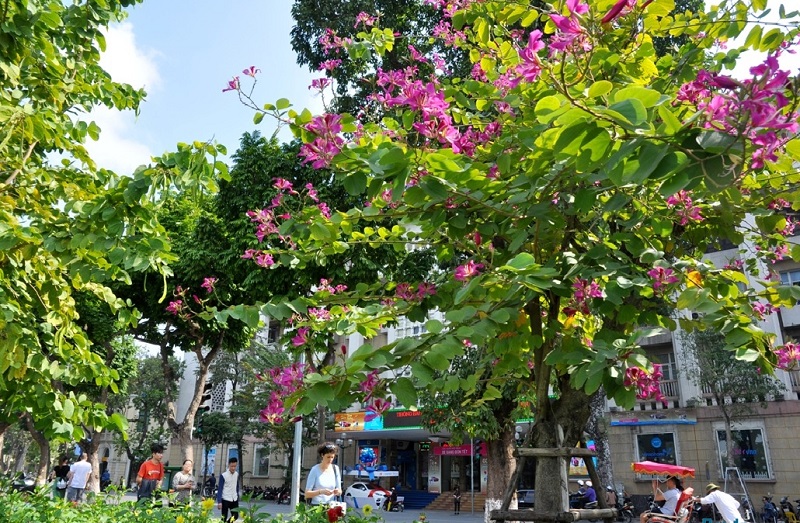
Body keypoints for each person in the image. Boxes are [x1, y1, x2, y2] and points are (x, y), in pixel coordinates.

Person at [217, 457, 241, 522]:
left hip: (234, 498)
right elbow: (220, 488)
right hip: (225, 499)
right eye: (232, 466)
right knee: (224, 517)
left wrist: (237, 495)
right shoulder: (223, 475)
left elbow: (237, 486)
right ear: (229, 465)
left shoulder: (237, 474)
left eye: (235, 466)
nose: (233, 468)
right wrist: (219, 502)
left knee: (235, 516)